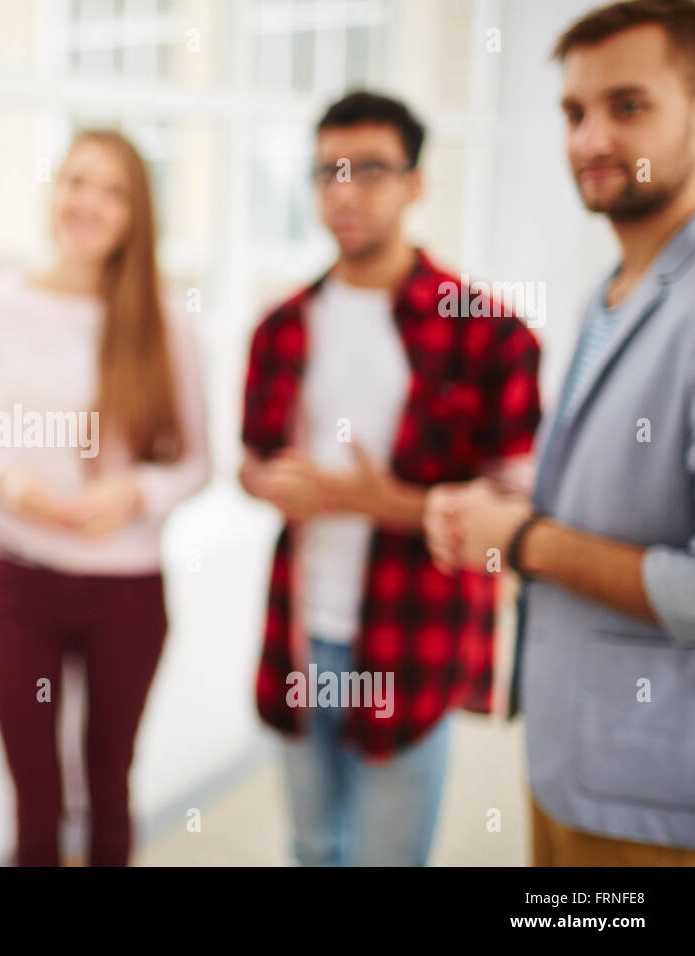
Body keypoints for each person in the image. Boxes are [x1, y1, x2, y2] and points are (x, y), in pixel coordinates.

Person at [239, 92, 543, 866]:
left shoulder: (487, 331)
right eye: (326, 172)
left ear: (415, 182)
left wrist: (391, 505)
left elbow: (517, 510)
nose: (344, 190)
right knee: (312, 848)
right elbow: (249, 463)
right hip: (304, 629)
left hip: (412, 638)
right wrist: (269, 483)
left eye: (369, 169)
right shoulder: (282, 325)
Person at [424, 0, 695, 865]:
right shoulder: (612, 290)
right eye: (574, 113)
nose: (588, 140)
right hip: (573, 757)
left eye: (628, 106)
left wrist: (526, 540)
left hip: (657, 793)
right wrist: (501, 504)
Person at [0, 129, 211, 866]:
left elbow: (197, 463)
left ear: (136, 214)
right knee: (37, 800)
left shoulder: (164, 322)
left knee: (109, 785)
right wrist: (6, 483)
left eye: (112, 190)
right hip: (23, 582)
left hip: (128, 589)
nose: (88, 202)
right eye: (76, 181)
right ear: (53, 191)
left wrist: (135, 491)